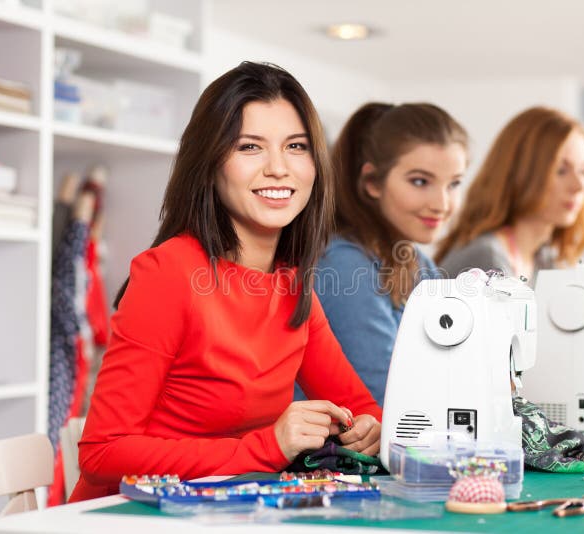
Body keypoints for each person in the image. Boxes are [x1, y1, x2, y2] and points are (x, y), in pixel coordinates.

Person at [70, 62, 381, 502]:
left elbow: (360, 409)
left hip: (229, 510)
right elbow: (103, 453)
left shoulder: (293, 286)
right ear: (210, 162)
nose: (278, 168)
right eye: (249, 147)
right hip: (127, 514)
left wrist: (369, 431)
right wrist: (268, 447)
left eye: (296, 146)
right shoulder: (168, 274)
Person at [309, 102, 468, 406]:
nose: (441, 203)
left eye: (454, 183)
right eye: (420, 182)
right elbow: (385, 396)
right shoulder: (345, 264)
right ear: (372, 183)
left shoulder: (418, 263)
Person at [436, 106, 584, 282]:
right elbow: (540, 344)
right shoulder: (484, 260)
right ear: (521, 172)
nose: (579, 185)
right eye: (561, 170)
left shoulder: (545, 259)